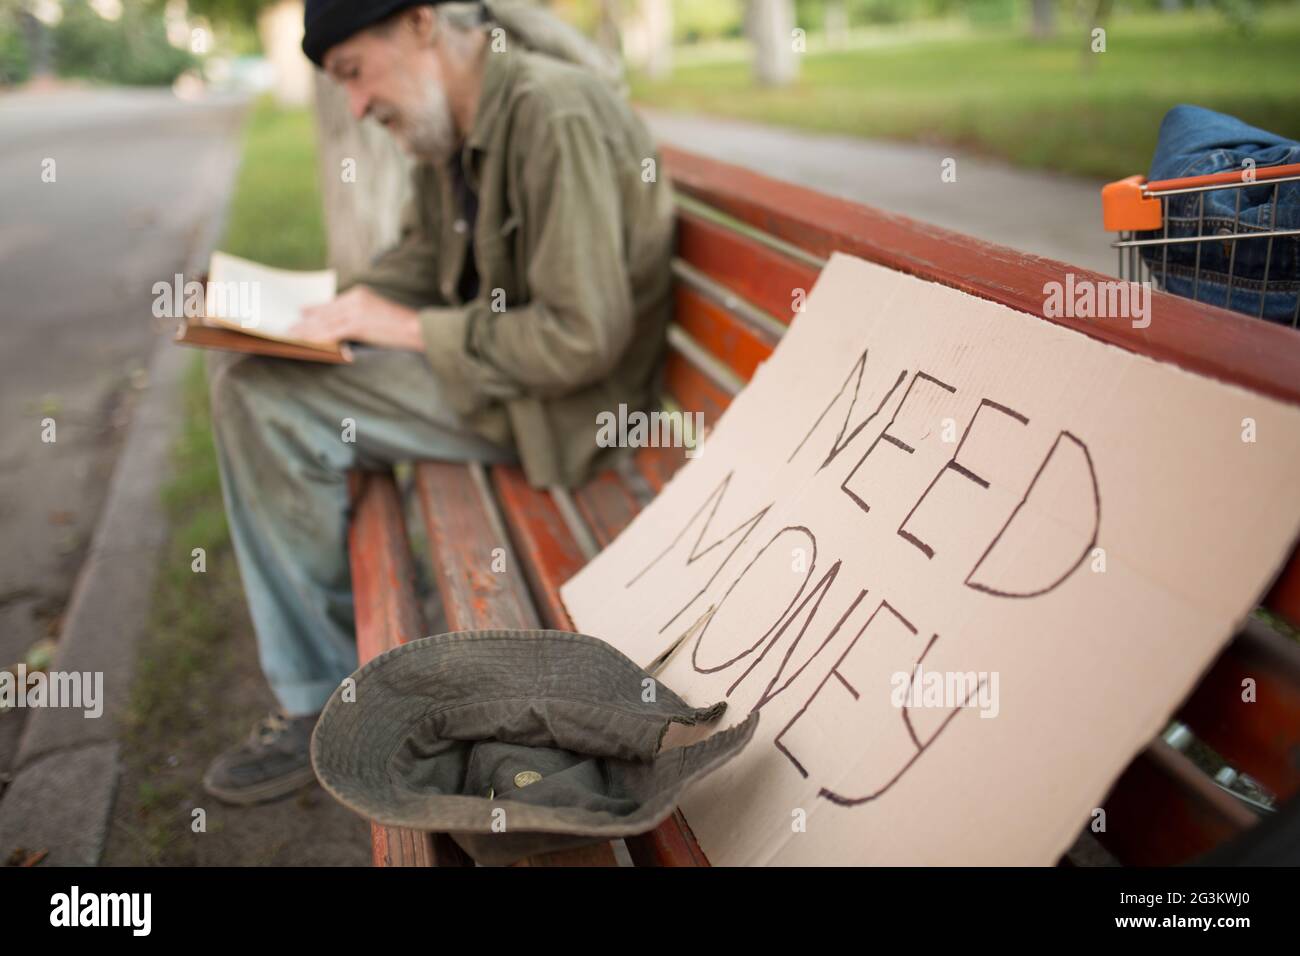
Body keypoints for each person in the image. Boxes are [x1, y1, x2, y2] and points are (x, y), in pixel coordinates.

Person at [201, 0, 675, 805]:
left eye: (353, 73)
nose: (354, 105)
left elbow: (579, 339)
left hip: (562, 412)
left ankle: (321, 698)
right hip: (506, 385)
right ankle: (321, 684)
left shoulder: (552, 114)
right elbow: (423, 258)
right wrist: (320, 315)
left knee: (262, 398)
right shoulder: (453, 122)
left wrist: (405, 325)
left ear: (422, 23)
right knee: (253, 373)